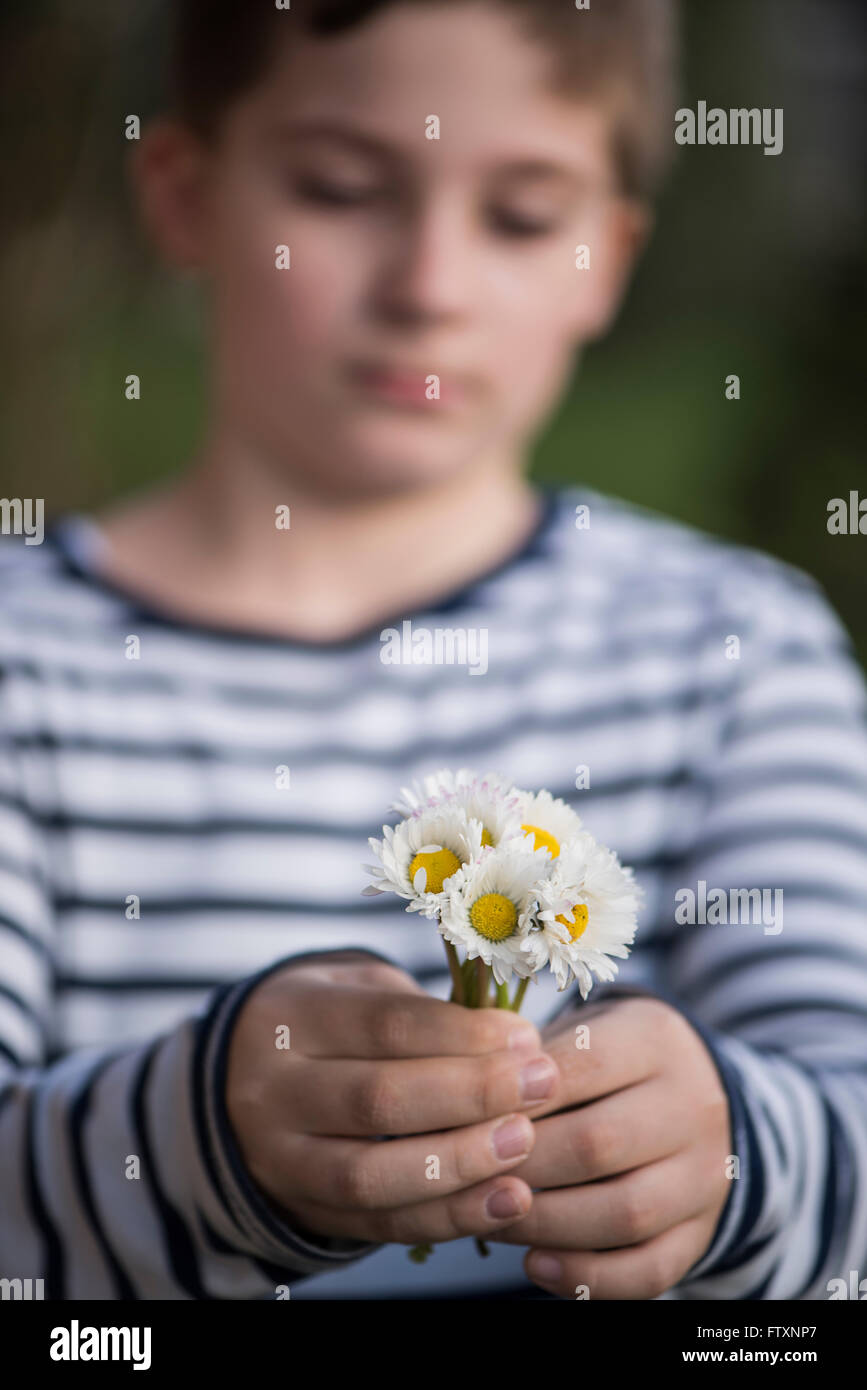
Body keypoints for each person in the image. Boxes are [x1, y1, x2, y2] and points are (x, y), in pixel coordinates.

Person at [1, 0, 865, 1301]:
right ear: (182, 196)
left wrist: (728, 1158)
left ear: (607, 261)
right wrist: (200, 1136)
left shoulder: (740, 652)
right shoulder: (25, 661)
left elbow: (851, 1136)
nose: (428, 286)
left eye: (521, 218)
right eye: (342, 189)